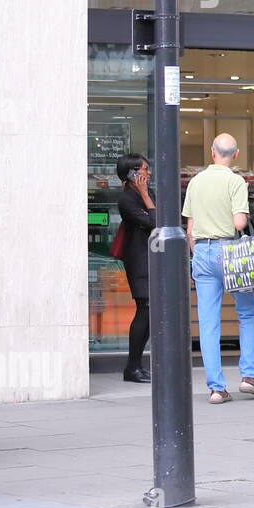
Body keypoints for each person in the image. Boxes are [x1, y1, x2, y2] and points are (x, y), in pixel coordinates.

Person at [182, 133, 254, 405]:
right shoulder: (236, 181)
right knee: (247, 312)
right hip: (231, 254)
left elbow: (190, 228)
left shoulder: (195, 182)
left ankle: (216, 389)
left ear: (212, 152)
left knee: (208, 321)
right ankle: (249, 377)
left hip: (203, 252)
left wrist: (199, 253)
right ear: (236, 154)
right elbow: (240, 222)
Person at [115, 154, 155, 383]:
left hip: (153, 259)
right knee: (145, 308)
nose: (148, 173)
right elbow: (155, 223)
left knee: (149, 312)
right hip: (139, 262)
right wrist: (145, 196)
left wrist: (147, 197)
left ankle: (136, 365)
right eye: (144, 169)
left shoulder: (148, 195)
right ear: (132, 174)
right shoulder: (127, 200)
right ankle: (132, 367)